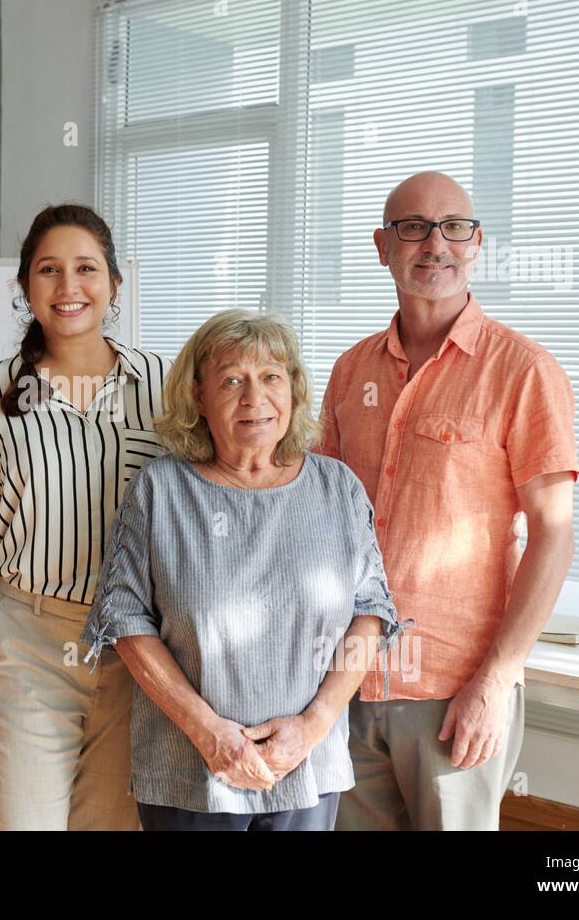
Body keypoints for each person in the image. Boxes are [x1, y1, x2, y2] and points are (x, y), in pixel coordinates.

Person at [318, 171, 579, 831]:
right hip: (347, 682)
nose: (435, 244)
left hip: (455, 692)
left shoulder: (522, 371)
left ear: (477, 243)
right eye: (413, 227)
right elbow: (319, 517)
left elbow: (554, 534)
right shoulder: (352, 372)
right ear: (383, 246)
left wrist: (496, 681)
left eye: (453, 227)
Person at [79, 309, 404, 831]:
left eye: (271, 376)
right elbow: (123, 620)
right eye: (231, 380)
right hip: (190, 769)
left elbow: (371, 614)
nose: (255, 397)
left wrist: (312, 726)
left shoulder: (337, 487)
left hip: (306, 765)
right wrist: (209, 733)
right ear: (198, 398)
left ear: (293, 391)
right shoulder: (161, 490)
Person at [0, 203, 169, 830]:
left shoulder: (167, 389)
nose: (69, 288)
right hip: (27, 654)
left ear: (115, 286)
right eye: (49, 270)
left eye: (86, 269)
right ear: (23, 288)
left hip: (137, 659)